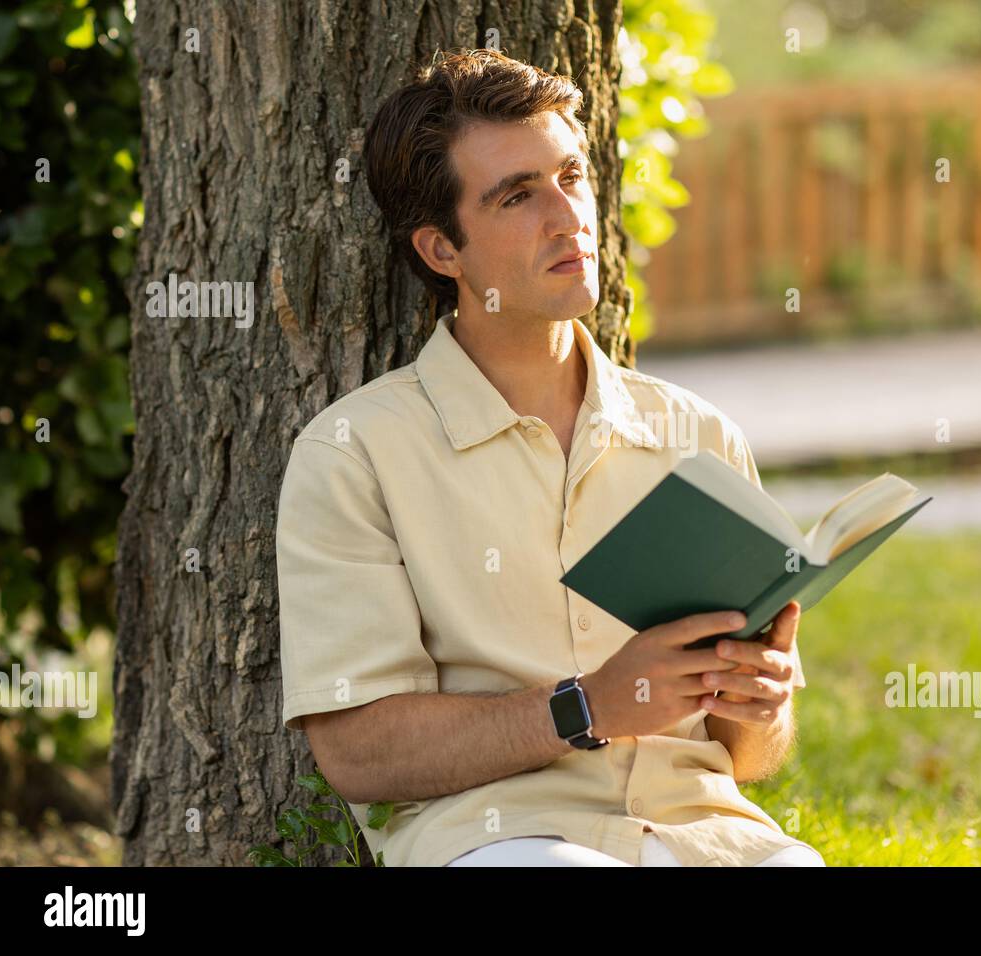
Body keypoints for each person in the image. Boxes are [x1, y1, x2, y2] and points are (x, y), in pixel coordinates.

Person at [274, 48, 824, 867]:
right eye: (517, 196)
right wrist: (590, 706)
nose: (568, 216)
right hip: (507, 842)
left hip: (712, 839)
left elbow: (749, 756)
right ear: (441, 251)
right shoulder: (356, 455)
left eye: (571, 176)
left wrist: (760, 700)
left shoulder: (696, 435)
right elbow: (359, 752)